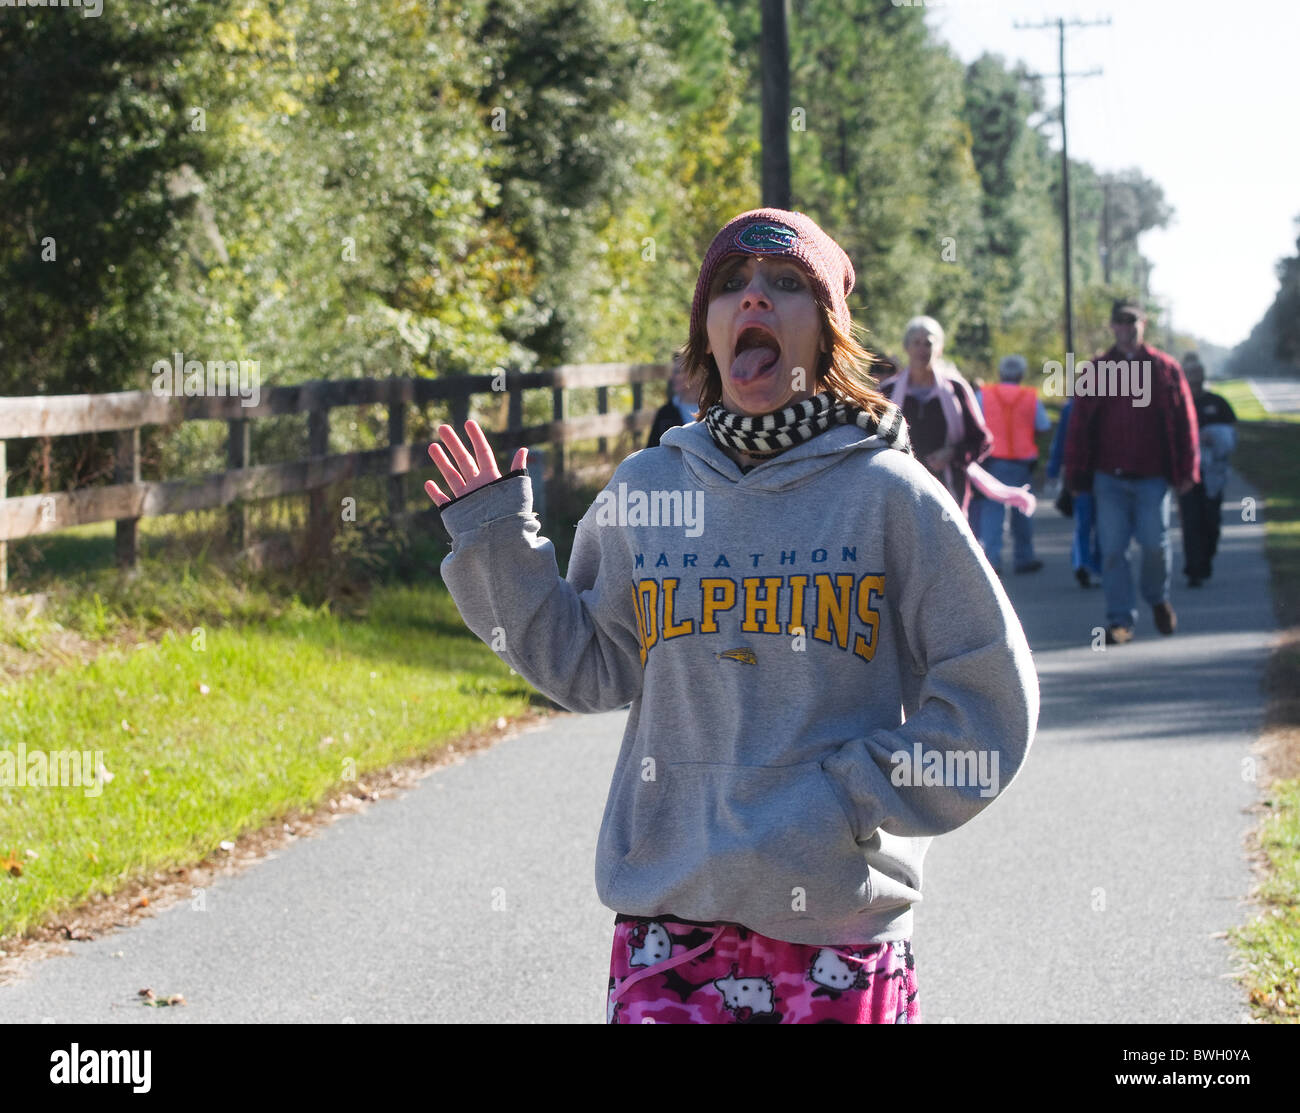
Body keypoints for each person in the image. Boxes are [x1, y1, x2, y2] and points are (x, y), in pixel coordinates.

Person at [424, 208, 1037, 1025]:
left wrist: (850, 796)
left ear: (826, 333)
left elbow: (989, 704)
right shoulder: (650, 487)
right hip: (667, 926)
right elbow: (589, 664)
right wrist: (496, 543)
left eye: (786, 284)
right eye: (730, 283)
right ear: (706, 332)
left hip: (836, 928)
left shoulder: (889, 495)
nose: (753, 298)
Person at [1063, 299, 1200, 644]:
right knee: (1112, 551)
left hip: (1153, 477)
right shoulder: (1096, 370)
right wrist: (1076, 477)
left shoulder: (1165, 369)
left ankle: (1157, 598)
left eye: (1132, 322)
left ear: (1143, 324)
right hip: (1109, 478)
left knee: (1155, 544)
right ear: (1112, 327)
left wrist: (1187, 469)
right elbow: (1077, 426)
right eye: (1120, 323)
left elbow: (1186, 422)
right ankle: (1120, 621)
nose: (1126, 329)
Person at [876, 317, 992, 515]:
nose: (923, 349)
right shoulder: (887, 392)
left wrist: (952, 453)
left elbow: (982, 440)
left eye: (928, 343)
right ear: (907, 348)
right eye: (917, 343)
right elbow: (871, 439)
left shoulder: (956, 390)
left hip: (947, 490)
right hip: (899, 490)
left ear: (939, 348)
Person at [975, 355, 1051, 575]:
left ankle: (991, 560)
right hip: (1021, 460)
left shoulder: (984, 394)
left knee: (992, 511)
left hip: (991, 460)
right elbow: (1044, 426)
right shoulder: (1030, 397)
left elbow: (975, 422)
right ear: (1021, 375)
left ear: (1000, 373)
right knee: (1022, 508)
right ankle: (1024, 557)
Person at [1178, 353, 1236, 586]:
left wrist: (1217, 438)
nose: (1193, 380)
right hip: (1186, 473)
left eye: (1197, 375)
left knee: (1211, 522)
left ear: (1203, 377)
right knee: (1191, 521)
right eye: (1189, 375)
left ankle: (1206, 558)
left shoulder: (1218, 403)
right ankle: (1194, 570)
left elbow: (1233, 435)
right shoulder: (1177, 405)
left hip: (1213, 475)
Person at [1045, 398, 1101, 587]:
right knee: (1086, 520)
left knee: (1098, 522)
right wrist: (1053, 469)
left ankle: (1093, 564)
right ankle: (1083, 564)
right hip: (1081, 475)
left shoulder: (1112, 403)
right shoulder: (1072, 407)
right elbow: (1061, 441)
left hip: (1103, 474)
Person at [646, 355, 699, 449]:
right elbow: (651, 451)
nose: (672, 377)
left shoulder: (714, 410)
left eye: (678, 372)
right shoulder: (665, 413)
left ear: (696, 374)